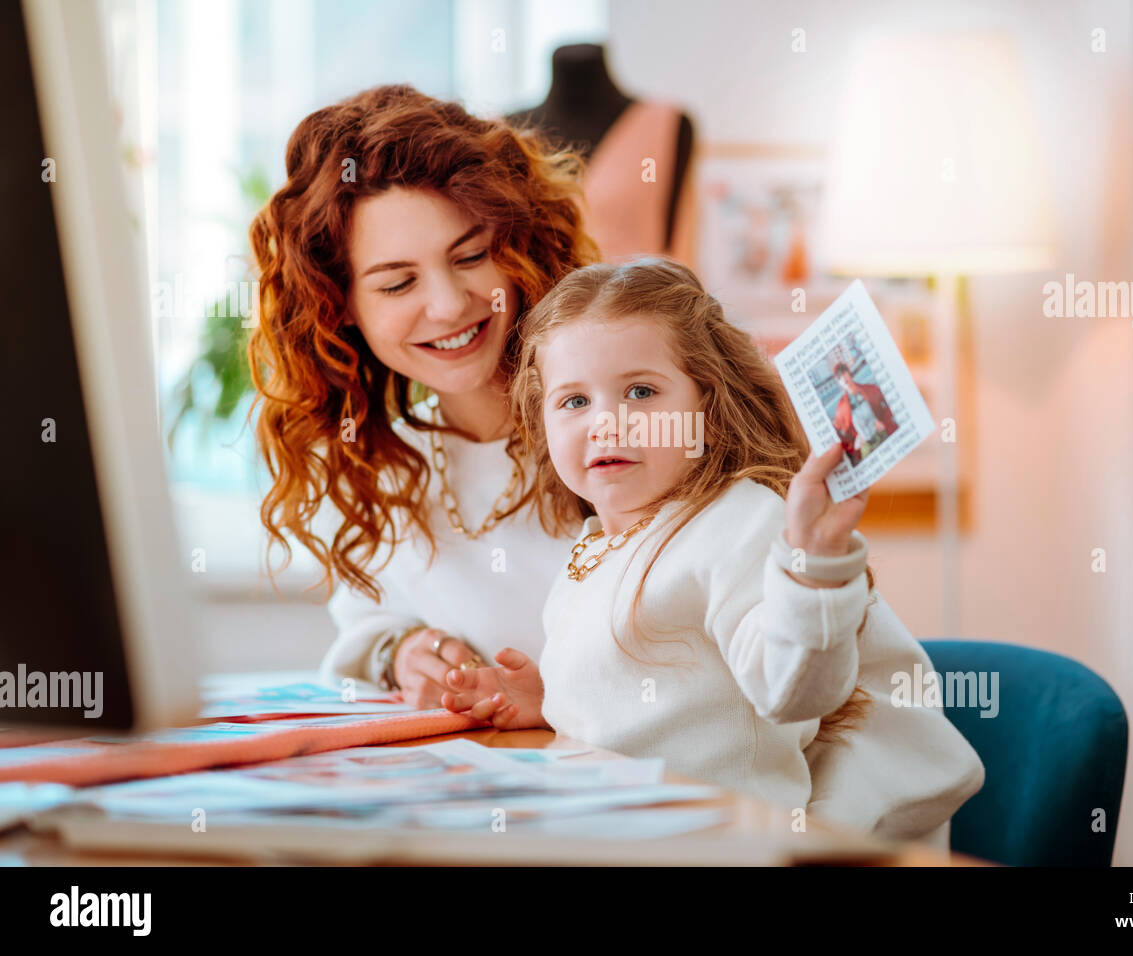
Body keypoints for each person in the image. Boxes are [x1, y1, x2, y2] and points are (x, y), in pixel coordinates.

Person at [439, 257, 985, 847]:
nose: (606, 423)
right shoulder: (596, 543)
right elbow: (665, 705)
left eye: (640, 391)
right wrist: (555, 702)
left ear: (706, 402)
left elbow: (794, 690)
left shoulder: (737, 520)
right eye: (574, 402)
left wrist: (816, 568)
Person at [246, 84, 599, 707]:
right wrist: (403, 652)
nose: (447, 304)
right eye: (397, 283)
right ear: (342, 306)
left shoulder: (627, 424)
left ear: (518, 248)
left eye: (471, 256)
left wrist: (559, 699)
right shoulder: (374, 468)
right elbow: (370, 626)